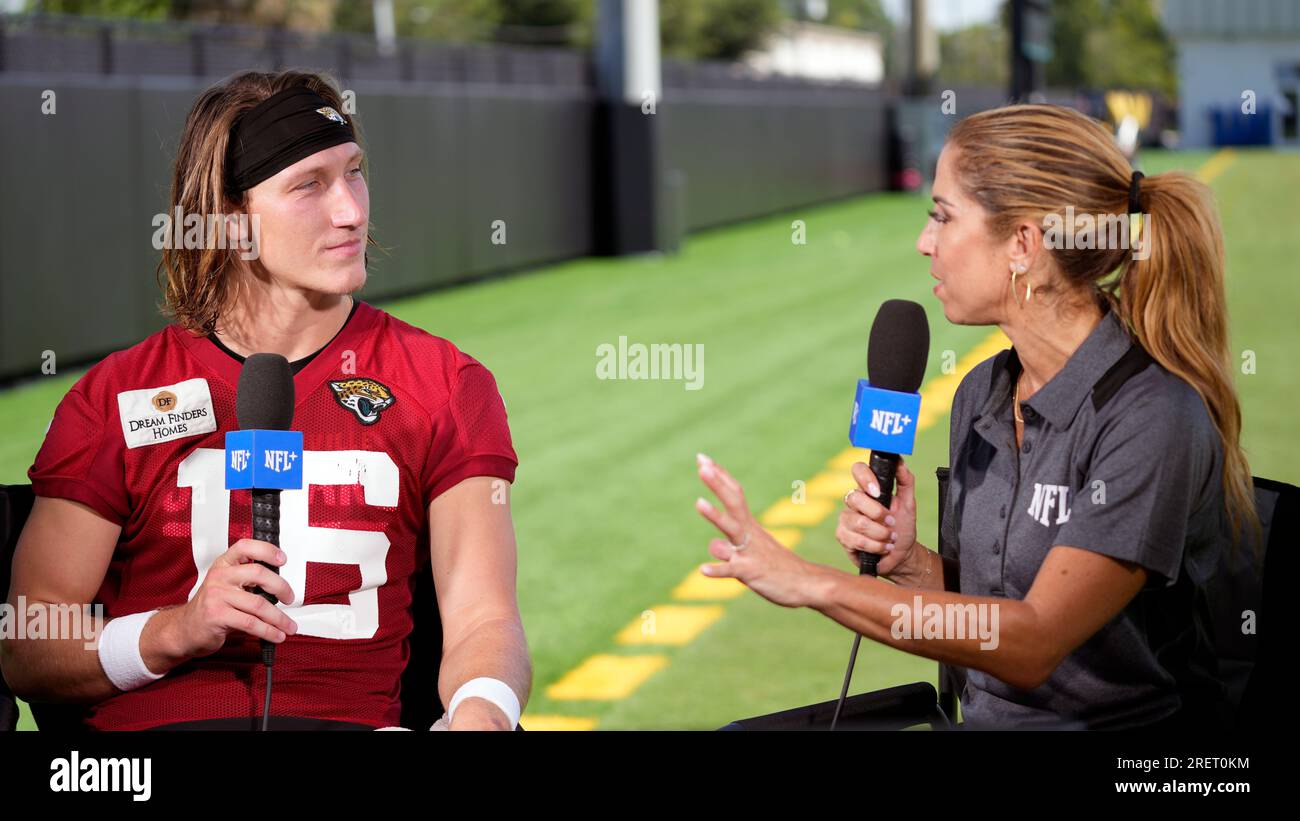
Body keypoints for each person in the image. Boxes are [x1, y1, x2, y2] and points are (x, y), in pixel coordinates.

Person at [692, 104, 1259, 730]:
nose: (923, 242)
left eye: (942, 215)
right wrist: (908, 564)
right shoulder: (983, 392)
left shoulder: (1152, 417)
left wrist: (811, 583)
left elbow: (1032, 639)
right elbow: (985, 613)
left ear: (1022, 244)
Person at [1, 70, 530, 730]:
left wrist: (484, 710)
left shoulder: (446, 383)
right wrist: (174, 630)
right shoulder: (115, 397)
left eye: (354, 172)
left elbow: (486, 616)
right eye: (309, 185)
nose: (352, 210)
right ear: (229, 218)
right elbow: (26, 646)